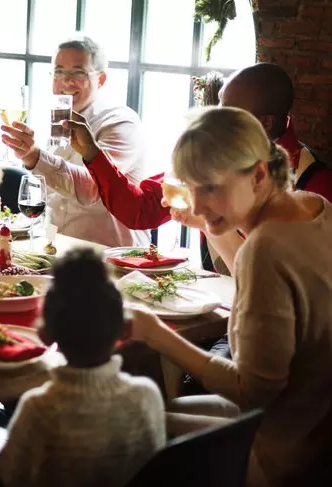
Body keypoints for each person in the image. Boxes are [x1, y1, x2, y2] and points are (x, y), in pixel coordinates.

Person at [128, 107, 332, 486]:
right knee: (156, 410)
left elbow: (251, 390)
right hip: (314, 428)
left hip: (284, 456)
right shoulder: (313, 206)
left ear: (257, 174)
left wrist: (155, 334)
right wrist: (210, 225)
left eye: (210, 187)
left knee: (129, 429)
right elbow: (263, 283)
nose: (197, 202)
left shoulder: (266, 248)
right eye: (191, 186)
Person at [82, 62, 332, 273]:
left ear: (265, 123)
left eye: (228, 113)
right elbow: (139, 209)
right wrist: (92, 152)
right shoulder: (210, 158)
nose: (215, 119)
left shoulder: (316, 186)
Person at [0, 248, 165, 487]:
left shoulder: (39, 408)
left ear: (45, 334)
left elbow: (7, 478)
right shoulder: (146, 396)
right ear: (126, 329)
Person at [1, 34, 150, 247]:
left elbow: (91, 187)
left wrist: (34, 156)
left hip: (111, 254)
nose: (66, 81)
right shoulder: (60, 117)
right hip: (58, 247)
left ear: (101, 79)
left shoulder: (120, 123)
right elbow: (54, 193)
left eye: (79, 73)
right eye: (59, 72)